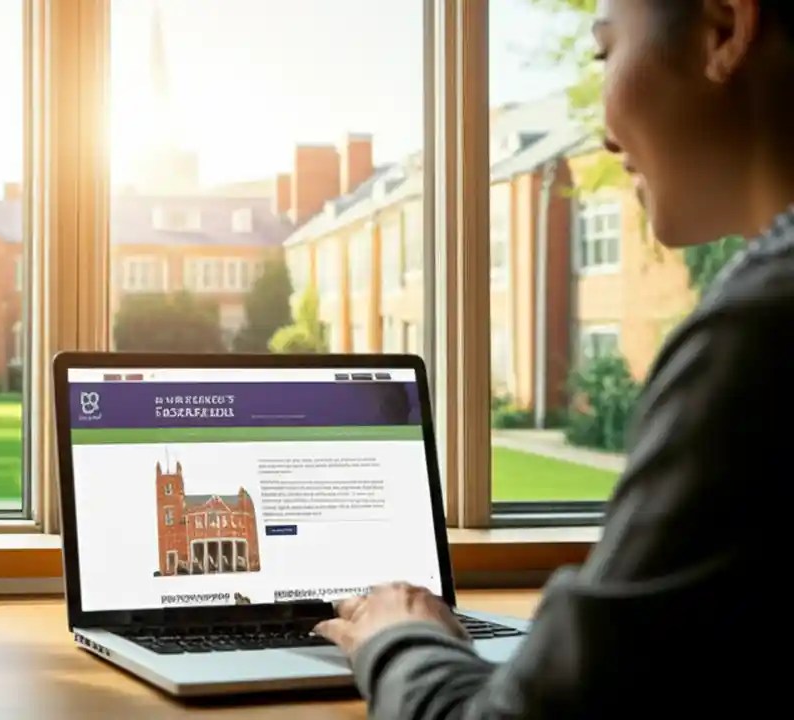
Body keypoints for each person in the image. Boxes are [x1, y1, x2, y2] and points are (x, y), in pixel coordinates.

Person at [313, 0, 794, 716]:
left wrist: (401, 636)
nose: (602, 134)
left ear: (724, 29)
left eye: (605, 53)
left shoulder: (762, 333)